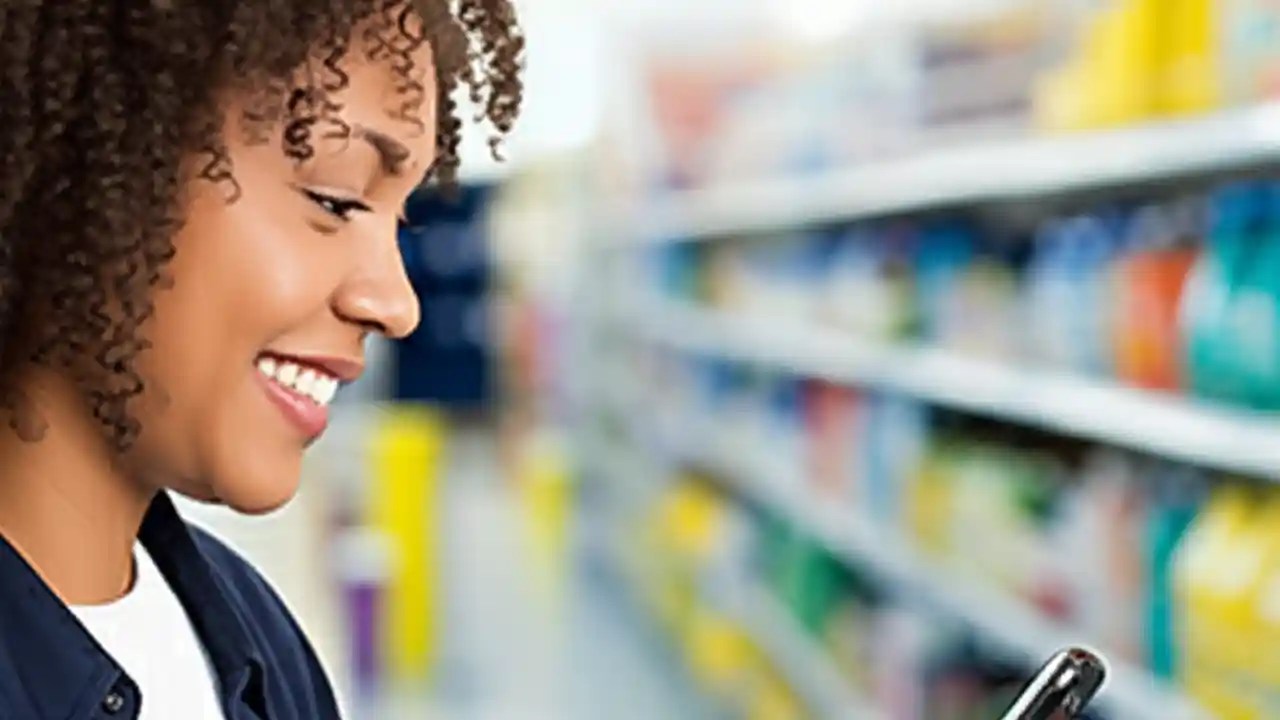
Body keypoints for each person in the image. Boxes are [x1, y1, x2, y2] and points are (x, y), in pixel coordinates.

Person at [0, 2, 523, 718]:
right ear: (86, 165)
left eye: (399, 217)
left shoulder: (260, 640)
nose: (398, 304)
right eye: (335, 199)